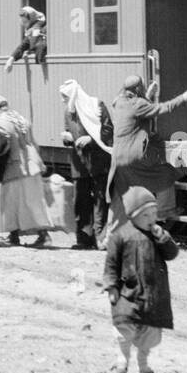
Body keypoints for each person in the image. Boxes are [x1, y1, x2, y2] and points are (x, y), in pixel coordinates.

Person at [102, 186, 179, 373]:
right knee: (124, 326)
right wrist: (111, 286)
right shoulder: (120, 236)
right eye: (145, 215)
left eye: (154, 213)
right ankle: (122, 357)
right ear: (133, 216)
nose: (151, 219)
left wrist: (164, 238)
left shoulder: (157, 235)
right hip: (129, 292)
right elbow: (111, 264)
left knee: (150, 333)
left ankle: (144, 365)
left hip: (153, 294)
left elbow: (172, 254)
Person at [107, 73, 187, 226]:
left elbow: (140, 111)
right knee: (168, 173)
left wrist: (149, 95)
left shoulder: (119, 102)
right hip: (133, 156)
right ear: (138, 88)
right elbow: (164, 108)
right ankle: (165, 209)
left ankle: (107, 237)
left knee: (119, 199)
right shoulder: (137, 104)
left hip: (117, 158)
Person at [0, 93, 58, 247]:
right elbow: (34, 143)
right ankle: (24, 235)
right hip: (33, 163)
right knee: (32, 201)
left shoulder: (1, 122)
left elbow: (1, 147)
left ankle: (32, 236)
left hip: (15, 166)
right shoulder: (21, 118)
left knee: (11, 201)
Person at [60, 79, 113, 249]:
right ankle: (84, 238)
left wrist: (91, 139)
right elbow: (69, 132)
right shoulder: (69, 112)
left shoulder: (97, 106)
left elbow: (108, 129)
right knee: (81, 201)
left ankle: (101, 238)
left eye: (65, 97)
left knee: (100, 200)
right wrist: (67, 138)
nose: (63, 100)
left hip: (99, 160)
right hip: (79, 163)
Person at [3, 6, 47, 73]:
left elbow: (39, 46)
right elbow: (23, 45)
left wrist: (30, 51)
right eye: (22, 21)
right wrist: (11, 60)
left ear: (32, 19)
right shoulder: (31, 31)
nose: (23, 24)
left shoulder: (41, 29)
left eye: (25, 21)